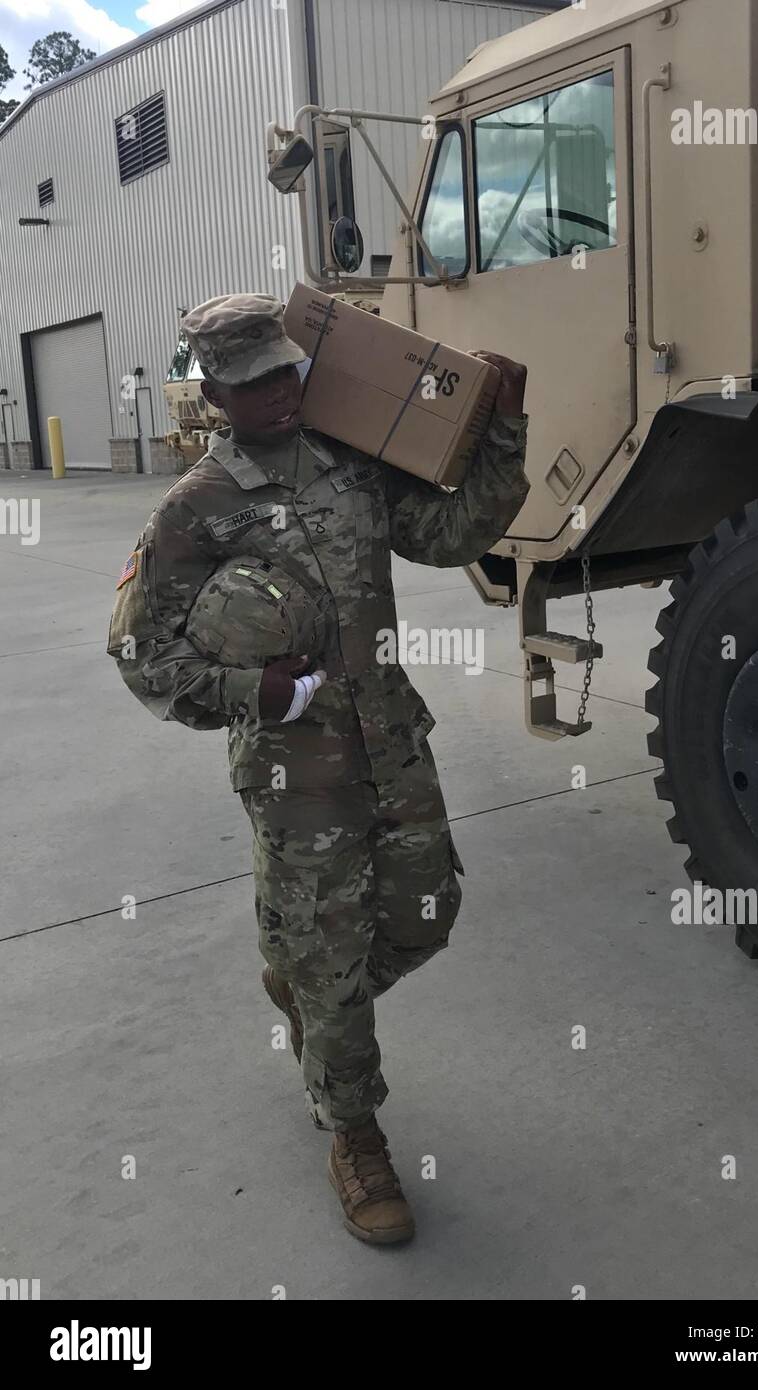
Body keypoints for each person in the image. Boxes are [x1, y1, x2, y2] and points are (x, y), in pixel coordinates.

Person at [108, 292, 529, 1244]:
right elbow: (143, 656)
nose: (279, 393)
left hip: (392, 742)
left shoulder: (354, 465)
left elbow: (455, 535)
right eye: (253, 383)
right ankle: (356, 1134)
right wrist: (249, 694)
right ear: (214, 391)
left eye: (287, 371)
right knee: (333, 956)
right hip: (298, 778)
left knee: (427, 916)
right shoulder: (198, 509)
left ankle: (302, 983)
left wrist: (504, 426)